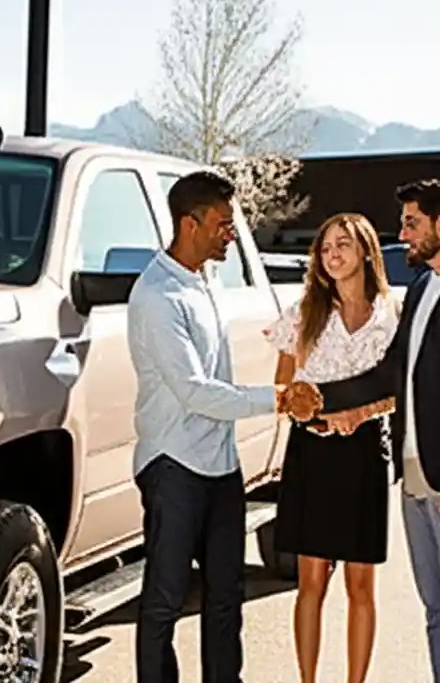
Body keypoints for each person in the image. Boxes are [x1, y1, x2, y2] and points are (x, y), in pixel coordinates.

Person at [313, 178, 440, 683]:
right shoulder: (423, 286)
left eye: (411, 223)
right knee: (436, 610)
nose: (402, 233)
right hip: (411, 477)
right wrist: (322, 398)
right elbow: (391, 373)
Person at [126, 169, 312, 683]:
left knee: (227, 598)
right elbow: (194, 391)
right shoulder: (158, 296)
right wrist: (279, 399)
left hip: (219, 467)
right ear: (191, 223)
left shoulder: (204, 280)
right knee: (164, 599)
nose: (231, 233)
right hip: (174, 466)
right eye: (223, 223)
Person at [261, 212, 398, 683]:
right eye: (325, 247)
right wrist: (317, 413)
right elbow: (283, 386)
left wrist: (360, 413)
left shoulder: (391, 312)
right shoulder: (303, 313)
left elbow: (400, 388)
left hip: (365, 457)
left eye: (343, 244)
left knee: (362, 586)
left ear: (365, 251)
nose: (333, 254)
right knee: (311, 583)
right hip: (313, 456)